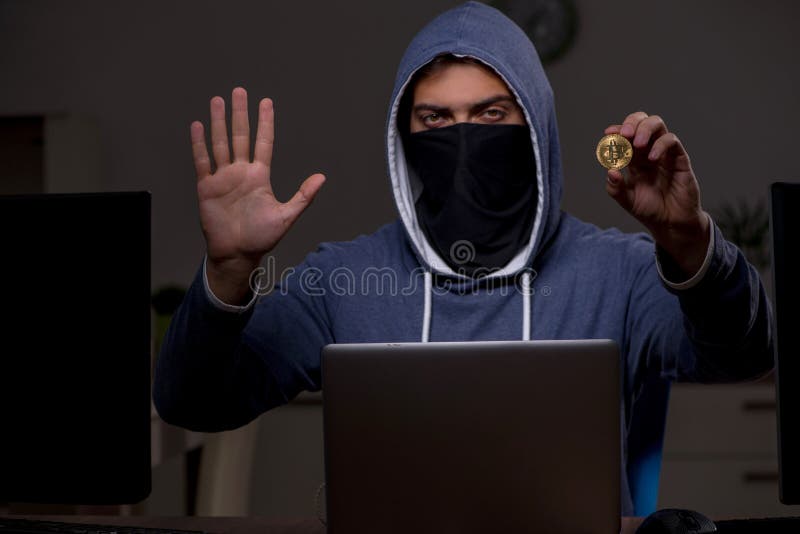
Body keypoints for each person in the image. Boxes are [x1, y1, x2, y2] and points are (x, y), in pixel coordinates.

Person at [154, 1, 773, 515]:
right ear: (405, 141)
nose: (464, 137)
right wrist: (230, 270)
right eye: (435, 119)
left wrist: (689, 243)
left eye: (491, 114)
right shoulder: (341, 280)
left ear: (535, 130)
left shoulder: (620, 272)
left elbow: (742, 355)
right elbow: (194, 402)